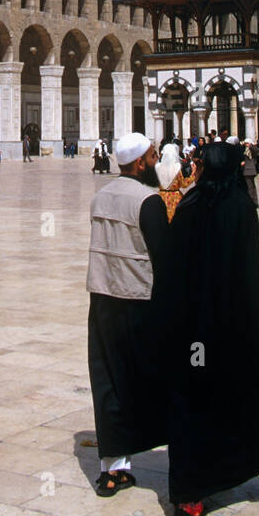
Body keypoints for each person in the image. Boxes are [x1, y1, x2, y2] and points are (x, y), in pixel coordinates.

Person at [160, 140, 259, 516]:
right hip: (240, 328)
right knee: (255, 398)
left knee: (195, 405)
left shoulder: (188, 209)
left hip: (197, 336)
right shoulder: (242, 209)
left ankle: (191, 499)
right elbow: (252, 274)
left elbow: (172, 270)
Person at [87, 131, 170, 497]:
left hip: (103, 300)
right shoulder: (148, 201)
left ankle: (112, 469)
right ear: (140, 163)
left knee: (109, 381)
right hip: (140, 300)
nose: (155, 163)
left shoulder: (100, 197)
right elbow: (164, 255)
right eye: (153, 157)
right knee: (155, 377)